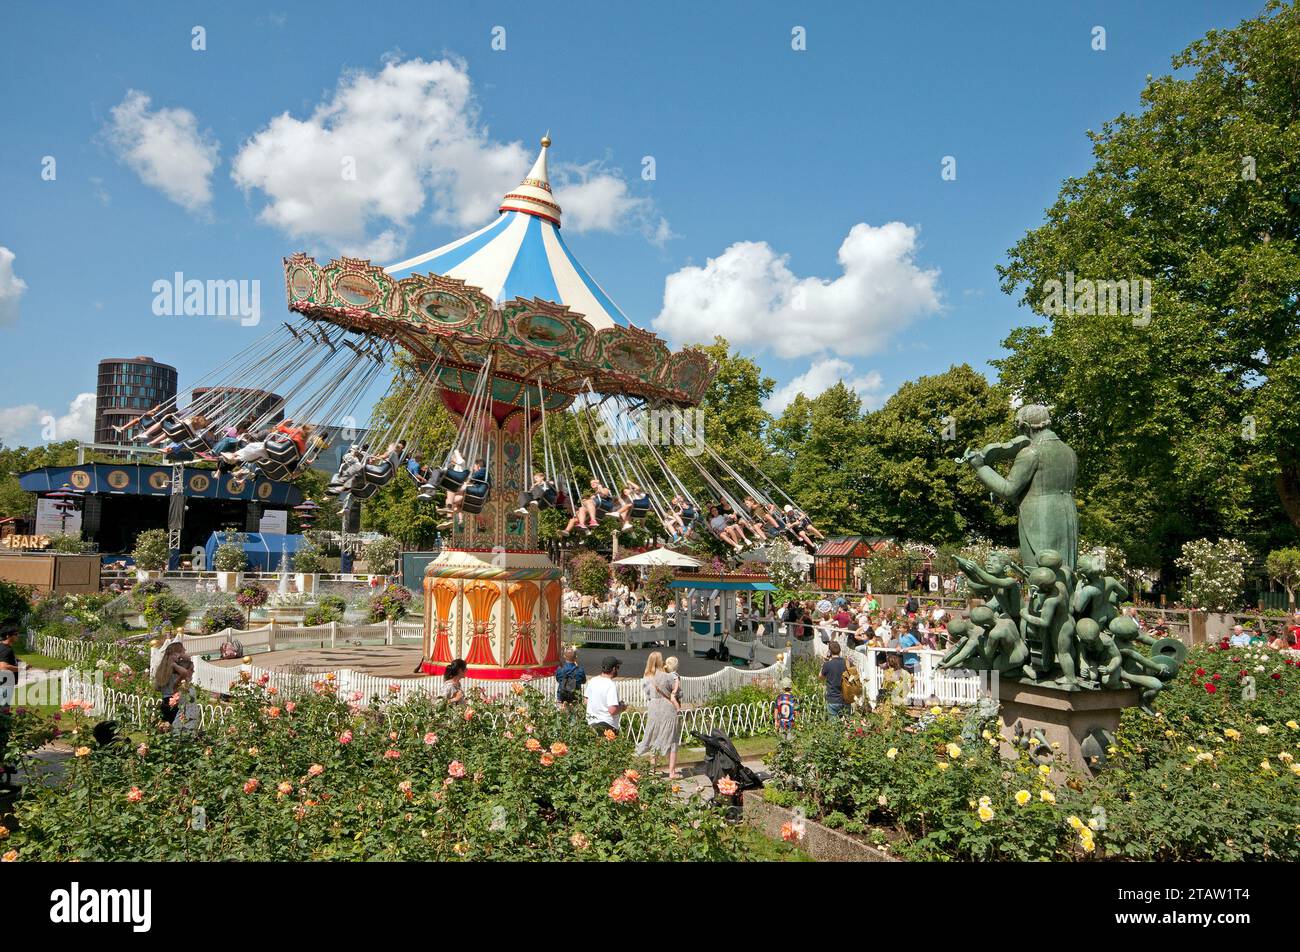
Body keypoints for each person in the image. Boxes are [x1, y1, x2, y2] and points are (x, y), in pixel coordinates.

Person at [636, 652, 681, 778]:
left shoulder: (646, 677)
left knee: (653, 737)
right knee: (672, 739)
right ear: (660, 662)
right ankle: (672, 772)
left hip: (653, 708)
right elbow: (678, 693)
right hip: (668, 709)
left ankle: (652, 770)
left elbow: (647, 694)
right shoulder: (667, 677)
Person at [152, 641, 194, 725]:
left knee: (166, 727)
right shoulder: (175, 667)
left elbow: (157, 687)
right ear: (176, 654)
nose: (185, 652)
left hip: (165, 700)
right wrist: (179, 661)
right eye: (183, 651)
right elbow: (186, 673)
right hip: (174, 701)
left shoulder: (163, 667)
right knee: (176, 727)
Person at [585, 656, 626, 735]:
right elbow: (612, 710)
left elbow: (586, 701)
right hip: (607, 726)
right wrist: (622, 707)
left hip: (590, 723)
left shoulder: (592, 681)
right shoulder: (611, 685)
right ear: (614, 669)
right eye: (618, 667)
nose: (618, 670)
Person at [0, 626, 19, 787]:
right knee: (4, 715)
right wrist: (20, 668)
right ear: (8, 636)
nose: (17, 636)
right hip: (5, 686)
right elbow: (3, 667)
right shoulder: (5, 649)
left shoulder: (2, 647)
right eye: (15, 634)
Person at [819, 641, 851, 718]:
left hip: (833, 699)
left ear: (829, 652)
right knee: (848, 725)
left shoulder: (827, 665)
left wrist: (825, 661)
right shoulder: (847, 663)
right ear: (840, 651)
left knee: (834, 727)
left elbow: (820, 677)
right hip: (846, 698)